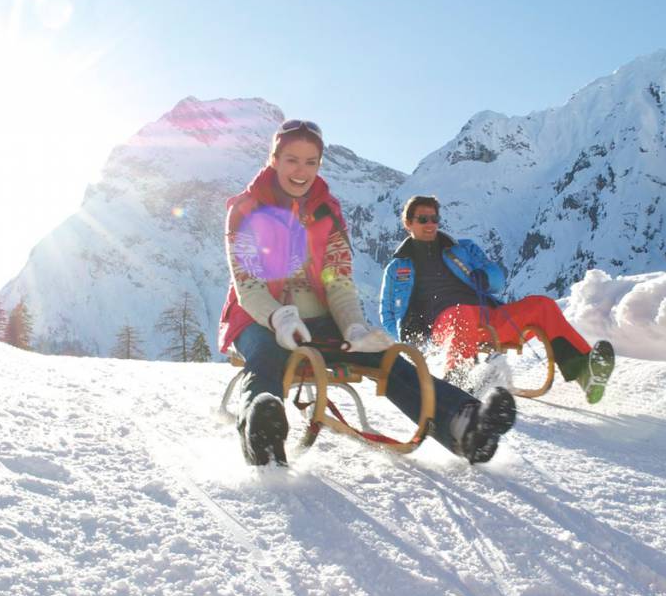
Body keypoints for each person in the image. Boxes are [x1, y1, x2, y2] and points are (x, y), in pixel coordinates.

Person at [218, 122, 516, 466]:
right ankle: (262, 430)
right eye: (291, 160)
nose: (301, 171)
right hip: (258, 317)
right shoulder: (245, 209)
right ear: (273, 160)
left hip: (319, 319)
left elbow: (337, 278)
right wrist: (280, 318)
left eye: (310, 162)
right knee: (267, 355)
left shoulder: (326, 212)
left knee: (385, 359)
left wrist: (353, 327)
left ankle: (464, 423)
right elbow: (248, 283)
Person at [379, 195, 615, 404]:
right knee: (461, 313)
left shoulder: (463, 249)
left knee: (542, 305)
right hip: (442, 327)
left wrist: (486, 276)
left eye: (434, 218)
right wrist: (411, 336)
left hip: (487, 318)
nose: (430, 224)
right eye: (423, 219)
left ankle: (586, 373)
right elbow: (387, 313)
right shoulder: (398, 267)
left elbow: (497, 278)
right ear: (408, 223)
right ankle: (457, 385)